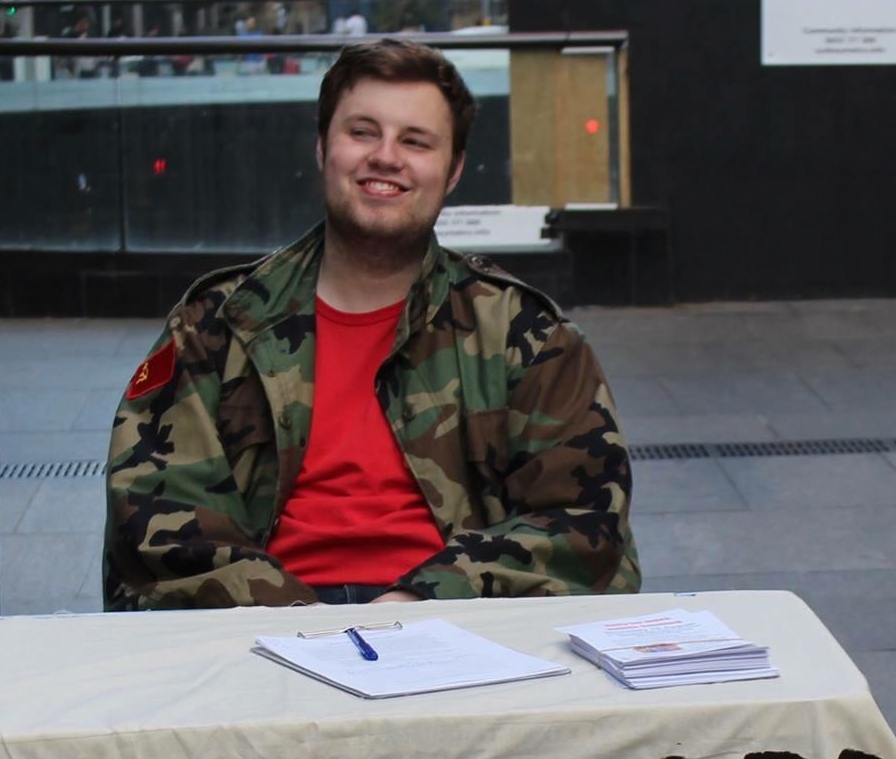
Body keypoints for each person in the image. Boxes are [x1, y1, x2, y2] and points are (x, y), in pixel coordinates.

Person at [104, 37, 638, 610]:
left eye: (416, 141)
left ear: (453, 170)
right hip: (260, 631)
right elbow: (154, 508)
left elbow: (582, 520)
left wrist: (419, 601)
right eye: (362, 132)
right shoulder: (215, 324)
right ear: (321, 147)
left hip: (456, 628)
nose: (386, 157)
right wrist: (302, 629)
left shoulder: (526, 336)